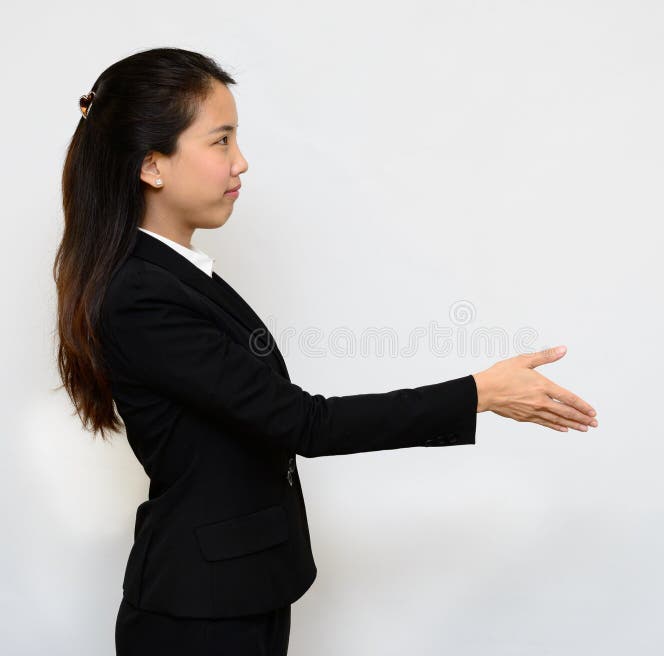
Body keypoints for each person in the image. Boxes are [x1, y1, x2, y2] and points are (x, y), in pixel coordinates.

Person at [53, 47, 598, 656]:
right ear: (152, 165)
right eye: (221, 141)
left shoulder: (176, 276)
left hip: (241, 588)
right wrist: (479, 394)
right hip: (198, 613)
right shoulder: (140, 295)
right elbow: (301, 422)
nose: (241, 162)